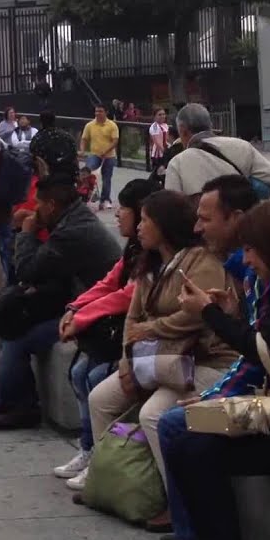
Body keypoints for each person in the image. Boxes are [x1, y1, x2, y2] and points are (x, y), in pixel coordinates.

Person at [82, 191, 239, 527]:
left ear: (164, 224)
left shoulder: (200, 262)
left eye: (146, 220)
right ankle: (113, 478)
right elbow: (131, 320)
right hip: (156, 362)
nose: (139, 227)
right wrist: (128, 364)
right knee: (100, 398)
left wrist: (153, 328)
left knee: (155, 414)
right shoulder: (148, 264)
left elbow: (198, 316)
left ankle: (176, 505)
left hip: (201, 362)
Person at [166, 200, 270, 540]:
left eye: (252, 250)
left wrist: (210, 314)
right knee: (191, 443)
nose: (248, 260)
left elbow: (264, 348)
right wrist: (231, 315)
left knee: (197, 447)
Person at [144, 175, 263, 540]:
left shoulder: (266, 276)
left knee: (180, 425)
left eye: (207, 219)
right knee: (182, 425)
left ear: (240, 219)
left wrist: (215, 394)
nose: (199, 228)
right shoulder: (247, 271)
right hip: (255, 390)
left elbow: (261, 351)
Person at [0, 174, 122, 430]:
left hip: (97, 314)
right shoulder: (72, 219)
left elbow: (28, 269)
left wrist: (25, 233)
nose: (34, 209)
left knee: (18, 338)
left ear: (50, 205)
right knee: (12, 320)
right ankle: (9, 402)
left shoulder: (73, 231)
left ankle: (18, 407)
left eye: (38, 203)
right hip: (77, 302)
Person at [53, 179, 157, 489]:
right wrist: (75, 307)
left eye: (124, 208)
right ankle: (89, 449)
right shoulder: (135, 249)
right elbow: (110, 282)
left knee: (95, 376)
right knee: (80, 371)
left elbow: (128, 294)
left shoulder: (156, 255)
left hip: (136, 340)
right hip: (116, 334)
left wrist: (83, 317)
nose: (117, 215)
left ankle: (103, 455)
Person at [165, 103, 270, 198]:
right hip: (243, 221)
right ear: (210, 125)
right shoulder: (242, 146)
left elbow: (173, 207)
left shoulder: (177, 163)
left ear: (182, 130)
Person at [79, 104, 120, 209]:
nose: (97, 113)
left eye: (100, 111)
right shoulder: (90, 125)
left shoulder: (112, 125)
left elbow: (115, 141)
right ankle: (85, 197)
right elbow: (84, 139)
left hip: (109, 156)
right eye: (96, 111)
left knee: (106, 178)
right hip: (94, 155)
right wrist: (82, 150)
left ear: (106, 112)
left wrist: (106, 151)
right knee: (86, 174)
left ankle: (105, 200)